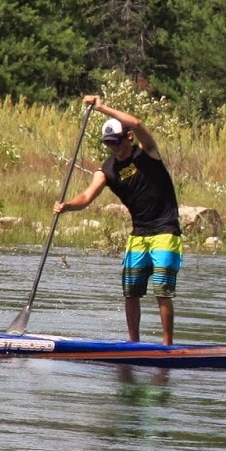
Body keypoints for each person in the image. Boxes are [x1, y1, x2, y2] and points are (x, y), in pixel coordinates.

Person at [55, 95, 182, 345]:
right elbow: (87, 196)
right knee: (130, 292)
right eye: (109, 144)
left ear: (129, 138)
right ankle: (133, 344)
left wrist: (101, 108)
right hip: (138, 235)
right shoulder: (107, 170)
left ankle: (168, 347)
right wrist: (67, 206)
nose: (114, 148)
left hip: (165, 231)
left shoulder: (148, 153)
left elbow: (136, 121)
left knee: (161, 289)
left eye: (117, 142)